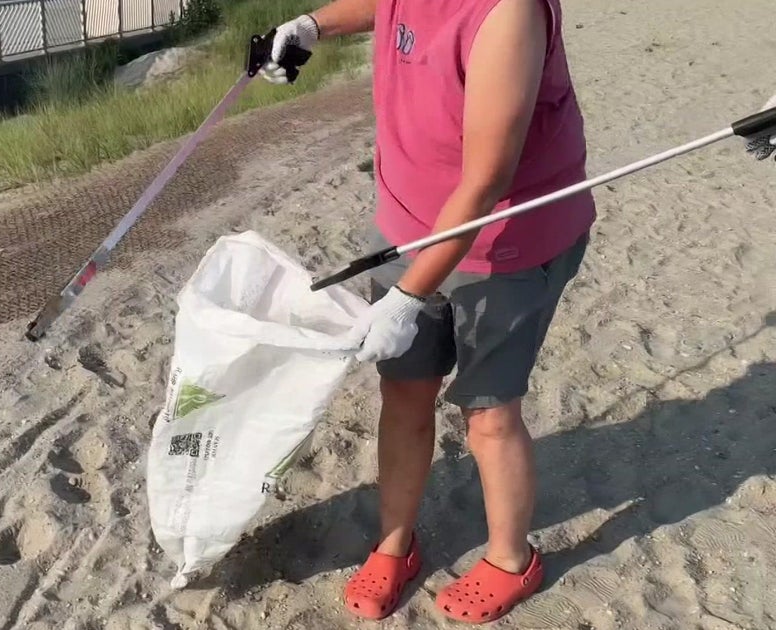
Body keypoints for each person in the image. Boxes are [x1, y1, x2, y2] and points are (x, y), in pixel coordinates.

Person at [262, 0, 776, 624]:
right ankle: (396, 541)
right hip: (406, 226)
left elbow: (484, 181)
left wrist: (406, 296)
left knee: (489, 415)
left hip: (502, 244)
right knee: (403, 391)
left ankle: (512, 559)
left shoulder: (509, 14)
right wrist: (312, 26)